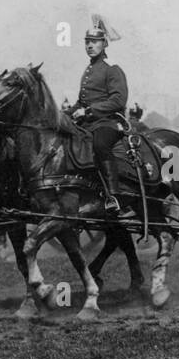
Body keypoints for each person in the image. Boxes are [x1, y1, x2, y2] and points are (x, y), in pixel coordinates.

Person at [70, 14, 128, 214]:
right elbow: (80, 101)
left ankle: (114, 197)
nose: (89, 45)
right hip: (87, 124)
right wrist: (65, 113)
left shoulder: (112, 68)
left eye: (94, 42)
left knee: (100, 145)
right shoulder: (89, 70)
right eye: (87, 42)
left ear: (104, 44)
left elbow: (118, 100)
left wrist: (88, 111)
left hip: (108, 122)